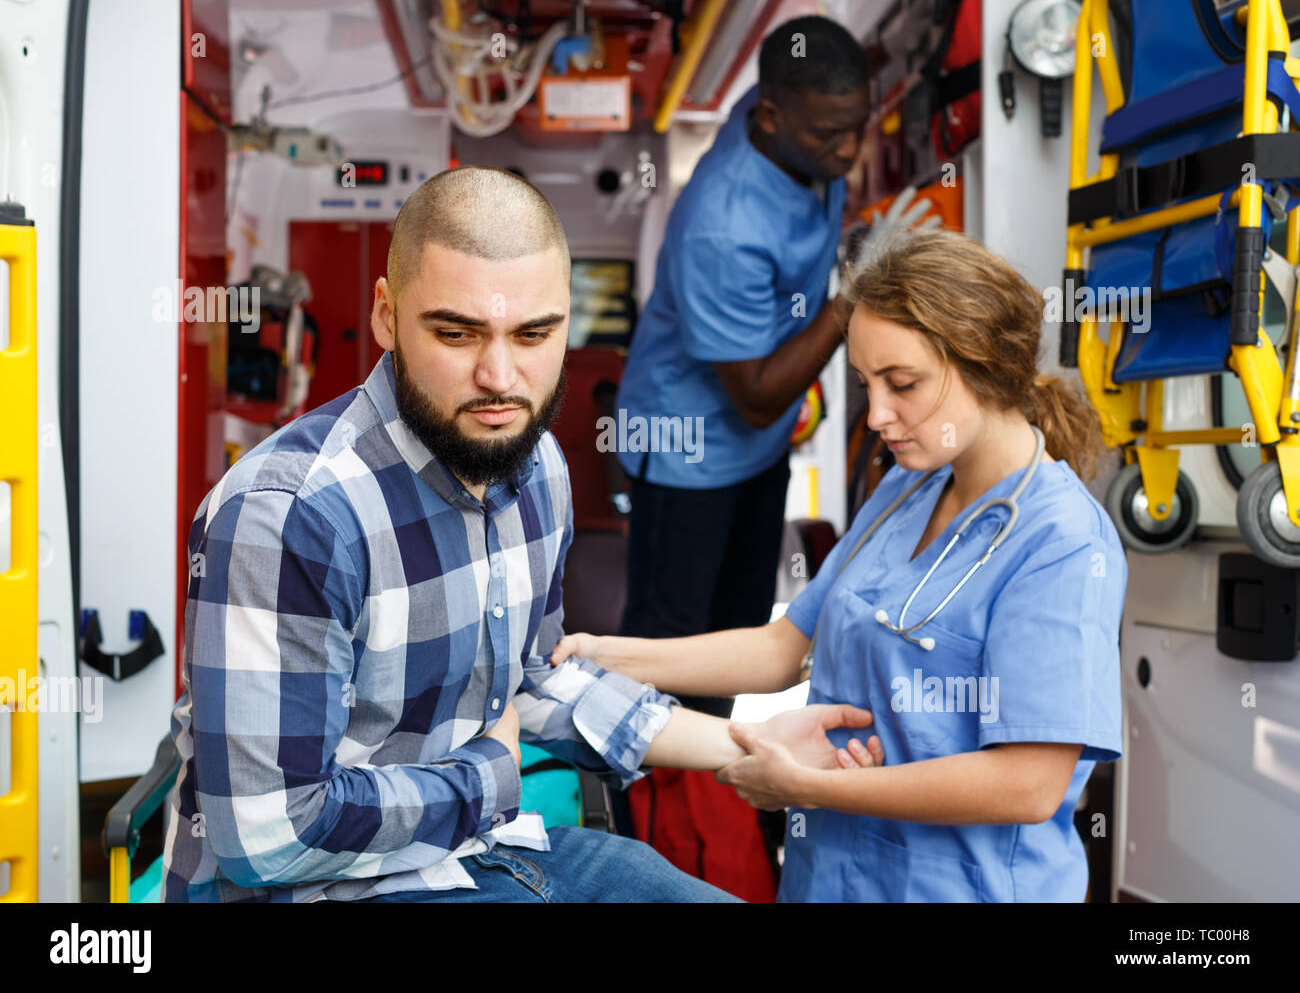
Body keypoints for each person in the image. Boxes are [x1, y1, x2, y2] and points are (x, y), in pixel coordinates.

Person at [161, 165, 874, 903]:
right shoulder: (288, 515)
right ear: (384, 315)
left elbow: (532, 675)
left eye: (534, 333)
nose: (500, 378)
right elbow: (269, 838)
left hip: (475, 851)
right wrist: (486, 779)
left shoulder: (539, 471)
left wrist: (748, 749)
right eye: (457, 332)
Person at [554, 227, 1126, 902]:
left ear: (984, 365)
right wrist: (599, 655)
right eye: (864, 382)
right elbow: (781, 649)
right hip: (833, 878)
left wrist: (811, 787)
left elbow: (1028, 785)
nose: (877, 414)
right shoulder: (907, 488)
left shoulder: (1061, 542)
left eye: (902, 384)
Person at [610, 14, 936, 895]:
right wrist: (852, 289)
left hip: (753, 450)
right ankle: (651, 837)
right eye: (830, 134)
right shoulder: (725, 217)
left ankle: (710, 815)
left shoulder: (805, 129)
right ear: (766, 120)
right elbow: (754, 389)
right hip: (686, 450)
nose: (848, 149)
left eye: (857, 126)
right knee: (673, 646)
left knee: (744, 625)